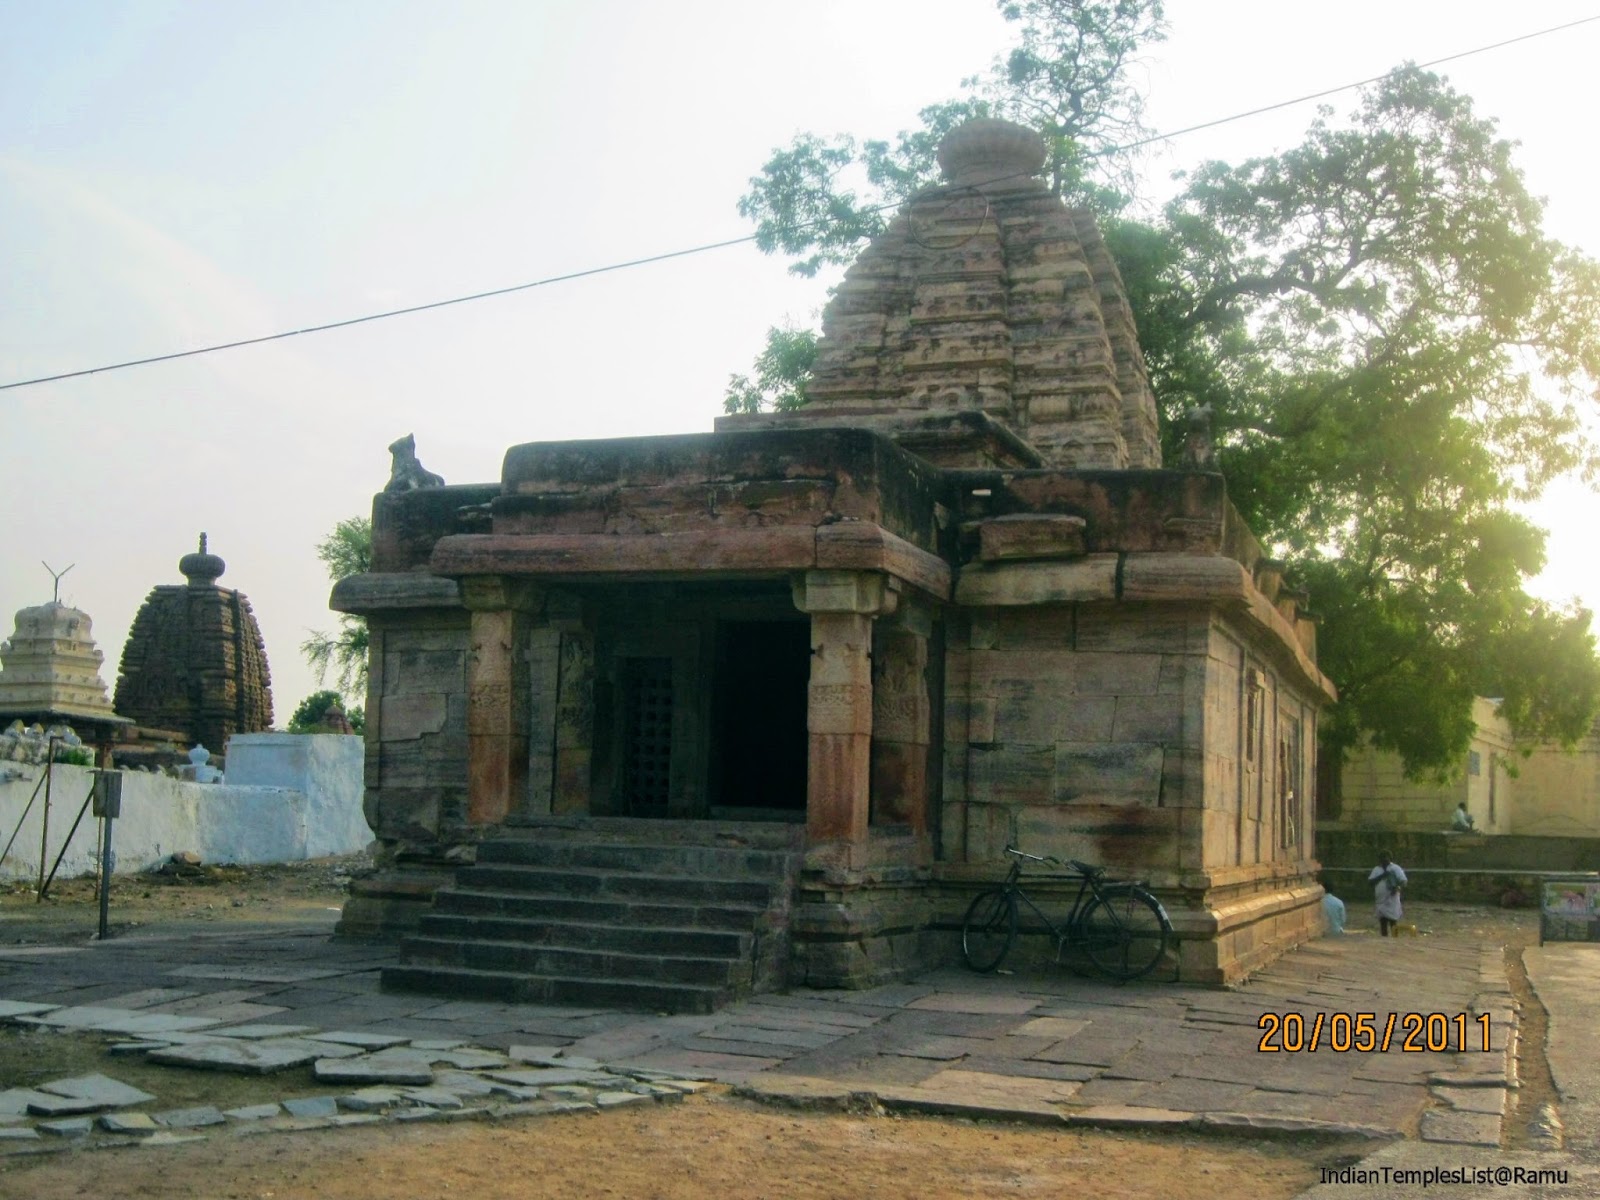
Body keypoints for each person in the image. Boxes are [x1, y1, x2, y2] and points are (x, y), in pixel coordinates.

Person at [1368, 852, 1407, 936]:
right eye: (1382, 857)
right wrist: (1382, 875)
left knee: (1393, 921)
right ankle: (1384, 940)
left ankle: (1395, 939)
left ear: (1390, 858)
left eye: (1386, 857)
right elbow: (1370, 882)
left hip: (1392, 899)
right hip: (1380, 900)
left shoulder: (1396, 868)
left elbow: (1403, 881)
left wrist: (1397, 887)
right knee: (1383, 921)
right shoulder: (1376, 869)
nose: (1384, 859)